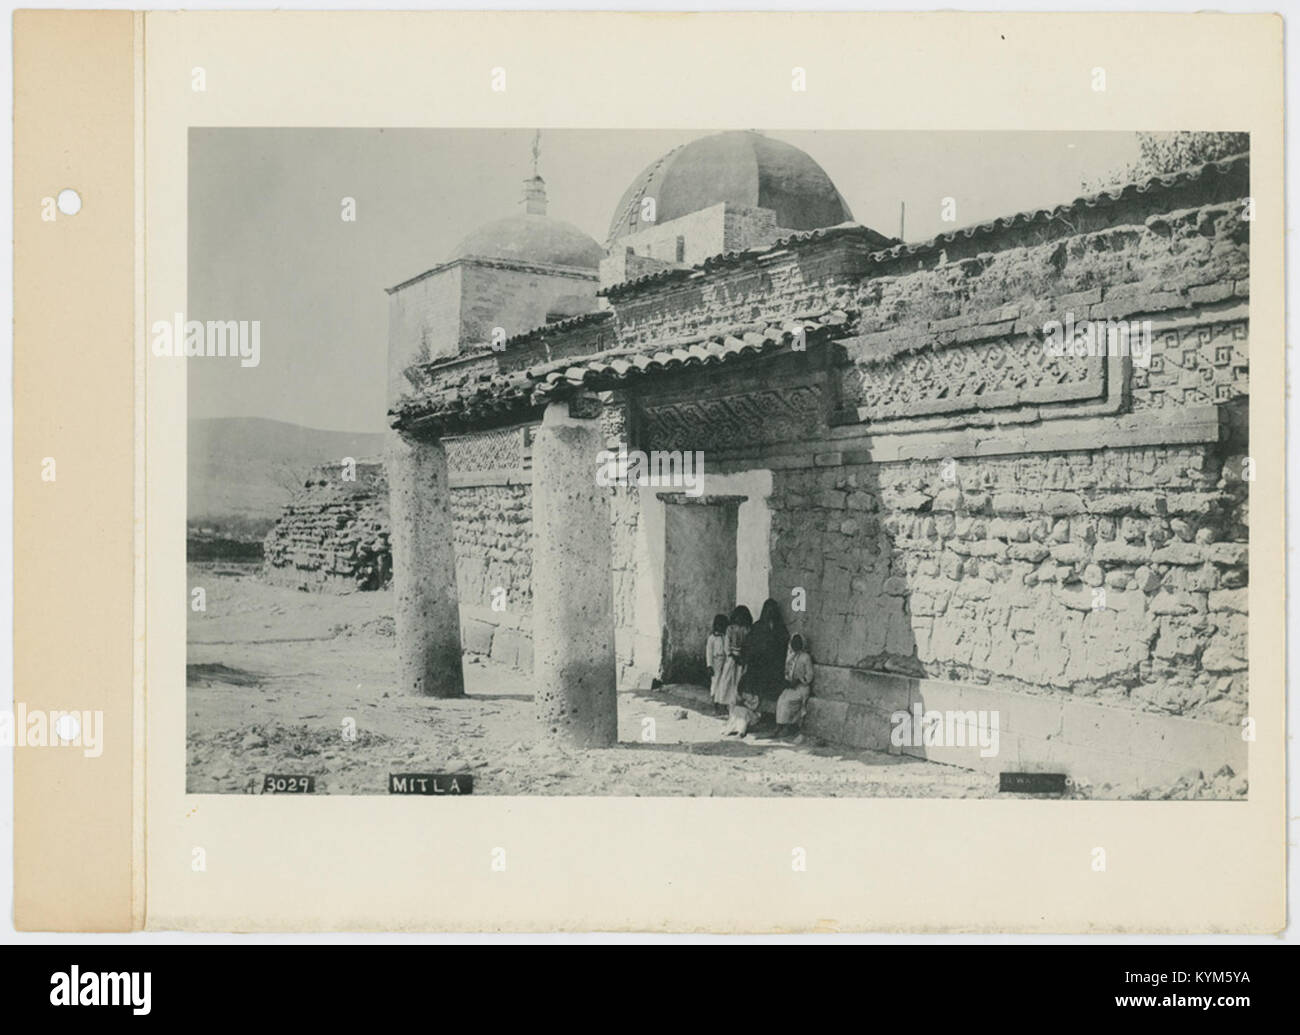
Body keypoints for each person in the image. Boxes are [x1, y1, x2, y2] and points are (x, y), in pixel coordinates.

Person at [742, 598, 789, 706]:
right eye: (768, 610)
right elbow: (749, 645)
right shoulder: (757, 626)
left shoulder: (780, 628)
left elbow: (783, 645)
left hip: (774, 666)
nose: (770, 612)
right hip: (759, 664)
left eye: (772, 610)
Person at [713, 604, 752, 716]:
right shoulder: (730, 629)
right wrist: (732, 655)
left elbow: (748, 645)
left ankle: (735, 706)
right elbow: (727, 645)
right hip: (732, 659)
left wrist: (742, 657)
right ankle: (725, 705)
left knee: (738, 682)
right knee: (728, 682)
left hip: (741, 659)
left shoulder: (747, 629)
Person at [774, 634, 814, 739]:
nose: (794, 645)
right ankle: (779, 725)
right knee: (781, 699)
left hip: (802, 687)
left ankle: (788, 726)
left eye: (797, 643)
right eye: (793, 642)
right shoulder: (791, 656)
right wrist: (788, 681)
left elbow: (809, 676)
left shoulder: (806, 657)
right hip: (791, 687)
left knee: (788, 702)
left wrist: (799, 680)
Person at [706, 614, 729, 714]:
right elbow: (709, 652)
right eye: (718, 625)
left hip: (724, 661)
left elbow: (727, 650)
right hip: (716, 662)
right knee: (715, 681)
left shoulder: (725, 637)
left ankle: (722, 702)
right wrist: (709, 665)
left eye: (722, 625)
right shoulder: (712, 638)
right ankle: (714, 703)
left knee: (723, 682)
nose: (720, 628)